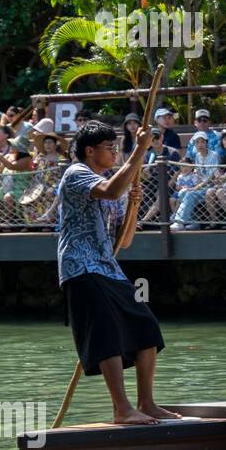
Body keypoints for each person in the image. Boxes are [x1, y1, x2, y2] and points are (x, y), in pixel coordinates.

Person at [58, 119, 176, 425]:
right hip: (80, 266)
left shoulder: (113, 182)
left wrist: (134, 206)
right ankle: (121, 409)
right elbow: (110, 191)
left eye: (116, 147)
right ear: (89, 151)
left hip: (108, 268)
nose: (114, 153)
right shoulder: (76, 174)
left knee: (146, 327)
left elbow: (124, 239)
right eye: (110, 148)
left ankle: (146, 403)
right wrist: (139, 150)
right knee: (106, 335)